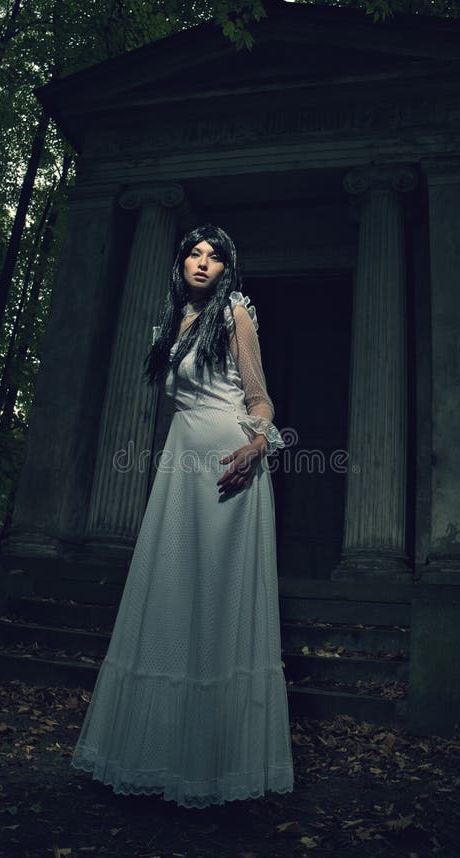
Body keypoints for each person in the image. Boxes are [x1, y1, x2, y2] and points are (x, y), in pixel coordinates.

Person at [70, 224, 294, 809]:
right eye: (193, 254)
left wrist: (258, 443)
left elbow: (259, 397)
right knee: (170, 595)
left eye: (214, 256)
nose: (202, 263)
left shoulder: (234, 315)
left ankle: (215, 761)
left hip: (229, 463)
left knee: (215, 602)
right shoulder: (169, 324)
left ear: (227, 268)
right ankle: (158, 753)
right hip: (179, 463)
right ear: (180, 264)